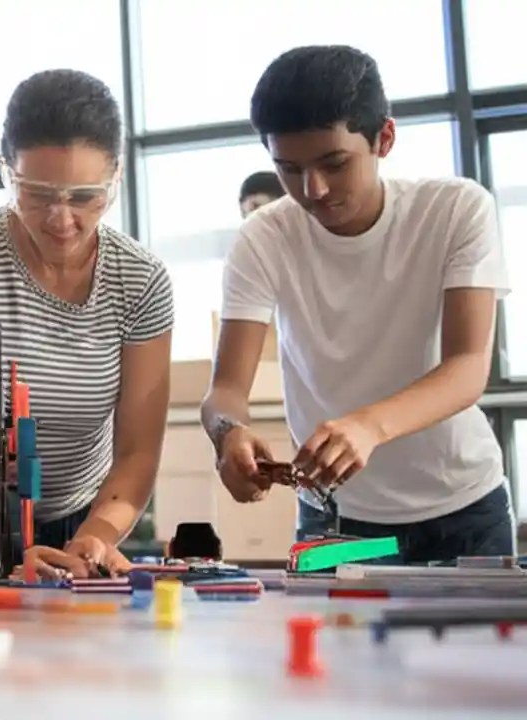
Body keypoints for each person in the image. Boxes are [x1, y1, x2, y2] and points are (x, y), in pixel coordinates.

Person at [201, 45, 513, 563]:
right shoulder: (264, 237)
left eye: (334, 164)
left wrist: (369, 425)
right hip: (334, 519)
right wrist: (228, 434)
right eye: (289, 169)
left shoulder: (455, 210)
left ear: (384, 138)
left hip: (463, 512)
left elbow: (467, 367)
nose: (313, 189)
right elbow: (226, 391)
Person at [0, 69, 174, 580]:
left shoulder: (141, 280)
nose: (61, 219)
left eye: (84, 197)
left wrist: (94, 540)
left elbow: (137, 453)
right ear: (5, 171)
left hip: (88, 515)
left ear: (117, 178)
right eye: (37, 194)